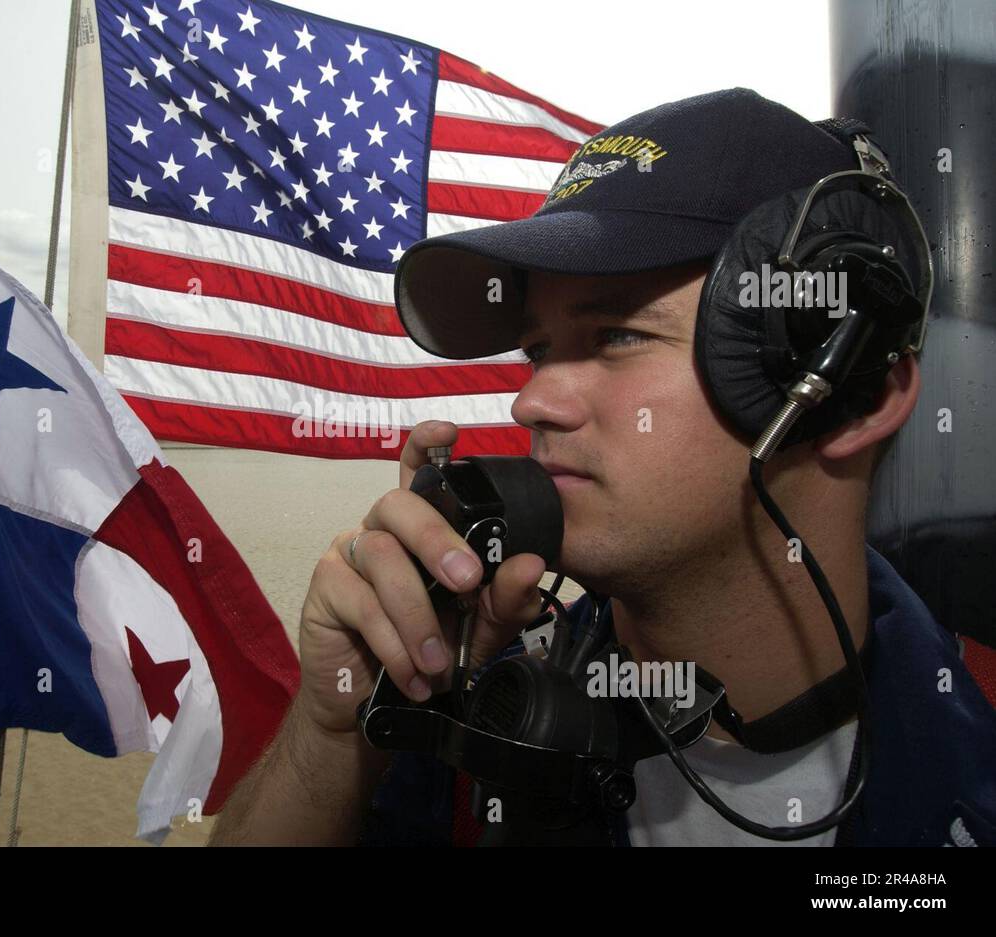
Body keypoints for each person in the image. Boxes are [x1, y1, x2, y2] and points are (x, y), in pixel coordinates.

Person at [208, 88, 996, 847]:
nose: (532, 402)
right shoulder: (468, 714)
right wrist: (338, 726)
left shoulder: (976, 730)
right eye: (539, 349)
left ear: (848, 396)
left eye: (618, 335)